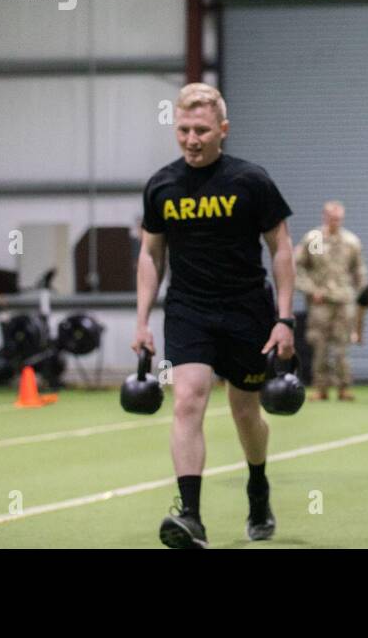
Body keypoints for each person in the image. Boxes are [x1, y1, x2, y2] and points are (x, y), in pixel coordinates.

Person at [134, 83, 297, 548]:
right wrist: (142, 320)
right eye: (183, 130)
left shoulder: (251, 180)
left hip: (247, 309)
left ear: (222, 130)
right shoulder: (161, 185)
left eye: (201, 130)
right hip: (189, 309)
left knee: (247, 411)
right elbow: (150, 255)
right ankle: (191, 516)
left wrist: (285, 318)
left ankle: (258, 487)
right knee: (187, 399)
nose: (192, 139)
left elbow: (281, 248)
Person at [295, 201, 367, 401]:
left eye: (339, 219)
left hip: (344, 301)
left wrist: (359, 295)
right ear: (324, 217)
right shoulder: (315, 239)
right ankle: (320, 388)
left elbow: (359, 271)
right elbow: (298, 268)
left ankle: (344, 387)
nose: (336, 222)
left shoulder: (351, 241)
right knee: (319, 344)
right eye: (332, 218)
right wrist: (311, 290)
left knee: (342, 344)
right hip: (321, 301)